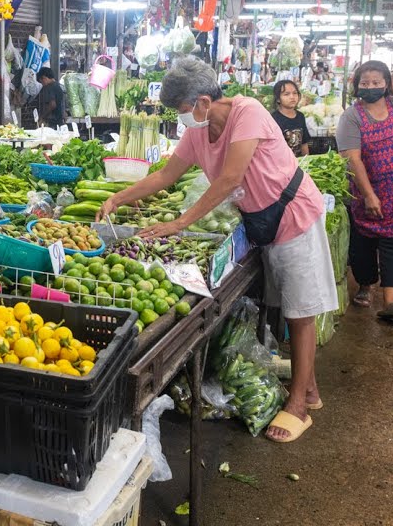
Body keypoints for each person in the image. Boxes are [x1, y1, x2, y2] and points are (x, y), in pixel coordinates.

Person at [96, 58, 337, 444]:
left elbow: (230, 178)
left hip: (294, 214)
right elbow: (166, 175)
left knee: (300, 311)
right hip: (260, 221)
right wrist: (118, 198)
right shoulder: (199, 130)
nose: (181, 119)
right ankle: (307, 388)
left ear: (203, 101)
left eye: (181, 110)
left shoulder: (249, 113)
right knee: (289, 304)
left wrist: (179, 223)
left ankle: (300, 406)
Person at [336, 60, 393, 320]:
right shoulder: (351, 117)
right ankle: (365, 284)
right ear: (357, 86)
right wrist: (368, 194)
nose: (371, 87)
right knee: (364, 243)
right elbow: (353, 158)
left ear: (387, 84)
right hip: (367, 190)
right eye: (365, 83)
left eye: (376, 82)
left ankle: (390, 302)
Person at [270, 79, 312, 157]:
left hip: (298, 163)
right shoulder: (273, 119)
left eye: (295, 93)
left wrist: (306, 161)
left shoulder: (300, 116)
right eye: (286, 94)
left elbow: (304, 143)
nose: (292, 97)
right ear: (278, 99)